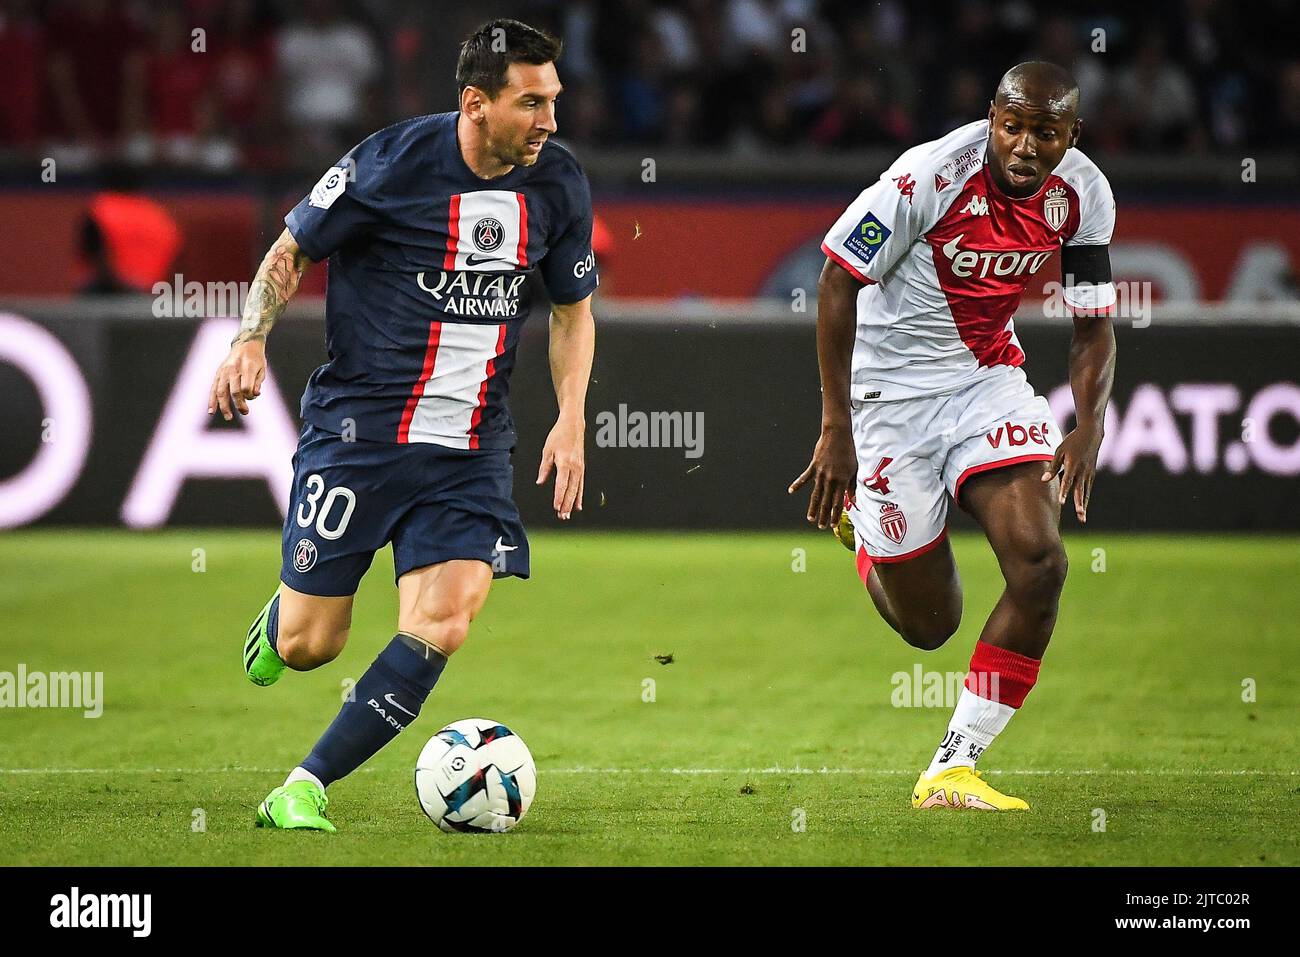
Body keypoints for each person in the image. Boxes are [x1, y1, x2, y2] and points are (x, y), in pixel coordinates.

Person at [208, 19, 597, 832]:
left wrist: (571, 416)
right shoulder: (388, 165)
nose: (549, 121)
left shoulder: (558, 183)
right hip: (360, 439)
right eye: (531, 103)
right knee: (315, 642)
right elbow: (290, 249)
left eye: (553, 101)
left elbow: (571, 310)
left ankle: (303, 787)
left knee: (444, 621)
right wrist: (248, 339)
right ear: (474, 103)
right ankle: (280, 627)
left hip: (471, 448)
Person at [790, 61, 1117, 811]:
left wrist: (1089, 422)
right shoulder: (927, 176)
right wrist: (837, 425)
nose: (1026, 145)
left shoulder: (1085, 195)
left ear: (1071, 134)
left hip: (983, 380)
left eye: (1046, 131)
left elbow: (1093, 324)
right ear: (992, 118)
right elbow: (838, 277)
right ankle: (863, 531)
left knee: (1040, 561)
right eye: (1013, 125)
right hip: (888, 398)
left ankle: (952, 765)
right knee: (930, 627)